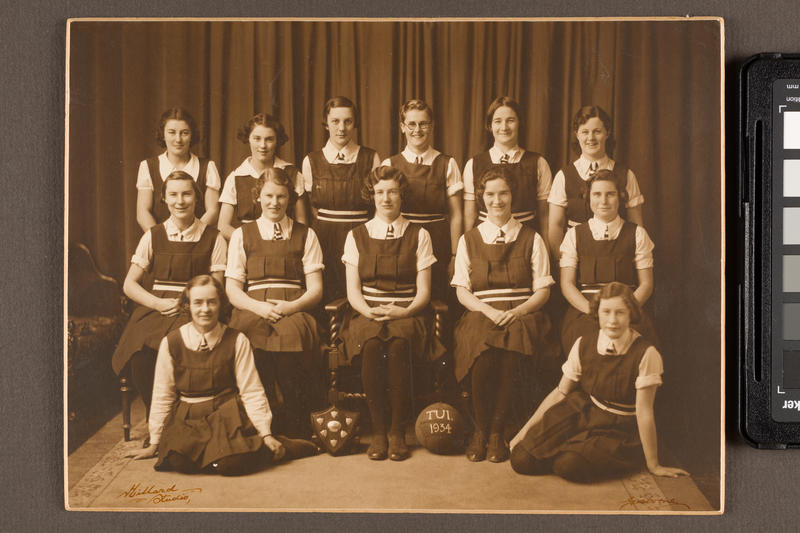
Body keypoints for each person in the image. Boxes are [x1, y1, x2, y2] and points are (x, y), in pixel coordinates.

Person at [129, 275, 317, 475]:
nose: (205, 309)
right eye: (198, 302)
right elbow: (162, 394)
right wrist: (155, 442)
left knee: (231, 465)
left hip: (227, 415)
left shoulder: (237, 340)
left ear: (221, 305)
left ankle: (282, 447)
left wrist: (265, 433)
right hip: (189, 418)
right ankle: (221, 457)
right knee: (179, 462)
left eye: (212, 302)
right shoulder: (172, 342)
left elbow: (251, 390)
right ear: (187, 305)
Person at [509, 282, 688, 483]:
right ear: (597, 313)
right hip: (584, 411)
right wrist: (522, 433)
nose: (612, 320)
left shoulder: (646, 353)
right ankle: (570, 447)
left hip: (620, 427)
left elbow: (644, 412)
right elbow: (560, 392)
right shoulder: (583, 343)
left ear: (631, 314)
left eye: (620, 313)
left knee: (567, 465)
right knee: (521, 459)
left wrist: (653, 464)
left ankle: (577, 452)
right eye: (606, 312)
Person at [112, 171, 227, 444]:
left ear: (197, 198)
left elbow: (218, 288)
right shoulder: (153, 236)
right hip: (158, 308)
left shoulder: (214, 237)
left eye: (187, 194)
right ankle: (158, 423)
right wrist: (157, 303)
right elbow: (129, 284)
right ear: (163, 198)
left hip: (197, 308)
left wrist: (194, 304)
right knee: (140, 353)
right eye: (173, 194)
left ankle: (183, 421)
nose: (180, 201)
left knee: (182, 348)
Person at [451, 165, 554, 463]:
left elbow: (543, 291)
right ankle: (480, 430)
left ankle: (497, 432)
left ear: (513, 195)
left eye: (504, 194)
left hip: (523, 313)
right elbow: (462, 291)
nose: (497, 201)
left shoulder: (532, 238)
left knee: (511, 351)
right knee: (481, 351)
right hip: (481, 312)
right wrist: (488, 311)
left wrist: (518, 311)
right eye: (491, 194)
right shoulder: (469, 239)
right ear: (482, 197)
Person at [340, 166, 444, 461]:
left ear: (402, 196)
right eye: (380, 192)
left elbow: (424, 291)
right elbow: (353, 291)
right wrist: (370, 312)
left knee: (398, 346)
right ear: (372, 196)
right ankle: (378, 431)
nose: (386, 198)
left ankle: (397, 431)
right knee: (372, 345)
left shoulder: (419, 234)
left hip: (408, 313)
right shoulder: (356, 235)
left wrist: (403, 311)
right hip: (367, 313)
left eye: (392, 192)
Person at [225, 167, 324, 438]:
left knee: (291, 341)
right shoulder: (242, 235)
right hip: (252, 307)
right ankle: (261, 425)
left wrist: (289, 307)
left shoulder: (306, 234)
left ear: (289, 198)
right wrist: (259, 307)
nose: (274, 203)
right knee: (251, 339)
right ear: (257, 196)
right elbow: (232, 290)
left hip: (293, 307)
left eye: (281, 196)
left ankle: (292, 425)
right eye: (268, 196)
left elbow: (315, 289)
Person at [559, 170, 656, 354]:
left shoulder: (637, 234)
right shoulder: (574, 235)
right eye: (597, 194)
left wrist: (624, 310)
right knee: (584, 342)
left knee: (637, 345)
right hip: (586, 312)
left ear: (620, 197)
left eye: (610, 194)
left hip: (627, 311)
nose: (603, 201)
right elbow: (567, 284)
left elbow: (646, 284)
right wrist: (593, 311)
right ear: (588, 198)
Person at [301, 96, 381, 301]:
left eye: (348, 121)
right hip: (324, 237)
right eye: (335, 121)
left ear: (355, 123)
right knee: (326, 293)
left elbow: (377, 206)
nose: (341, 128)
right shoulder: (311, 160)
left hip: (361, 234)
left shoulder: (370, 157)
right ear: (326, 123)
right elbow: (311, 206)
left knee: (359, 291)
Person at [381, 99, 463, 297]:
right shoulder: (389, 164)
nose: (417, 130)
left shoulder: (447, 163)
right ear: (402, 127)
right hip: (401, 239)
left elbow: (456, 215)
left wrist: (455, 255)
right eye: (411, 124)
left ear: (431, 126)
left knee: (438, 296)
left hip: (438, 240)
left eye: (423, 124)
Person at [547, 105, 645, 259]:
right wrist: (564, 263)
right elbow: (555, 226)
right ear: (577, 135)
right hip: (577, 257)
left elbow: (636, 224)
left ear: (607, 133)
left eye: (597, 131)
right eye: (585, 132)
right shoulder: (563, 176)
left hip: (617, 256)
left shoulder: (626, 175)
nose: (590, 138)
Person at [462, 96, 553, 244]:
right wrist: (467, 246)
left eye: (510, 120)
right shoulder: (474, 164)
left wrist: (546, 248)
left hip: (526, 238)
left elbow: (545, 215)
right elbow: (469, 215)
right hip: (485, 239)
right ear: (490, 125)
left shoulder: (538, 163)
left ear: (519, 123)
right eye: (498, 121)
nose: (504, 127)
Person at [218, 113, 308, 240]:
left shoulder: (292, 174)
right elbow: (223, 226)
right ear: (248, 138)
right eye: (257, 138)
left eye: (269, 139)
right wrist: (248, 243)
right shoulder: (236, 177)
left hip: (285, 242)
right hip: (248, 245)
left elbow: (301, 221)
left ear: (277, 141)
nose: (263, 145)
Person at [136, 107, 221, 232]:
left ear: (191, 135)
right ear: (163, 134)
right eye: (172, 132)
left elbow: (213, 211)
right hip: (160, 241)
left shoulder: (207, 167)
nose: (178, 139)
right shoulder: (148, 166)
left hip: (198, 239)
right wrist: (160, 238)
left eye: (184, 133)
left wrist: (192, 234)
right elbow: (143, 212)